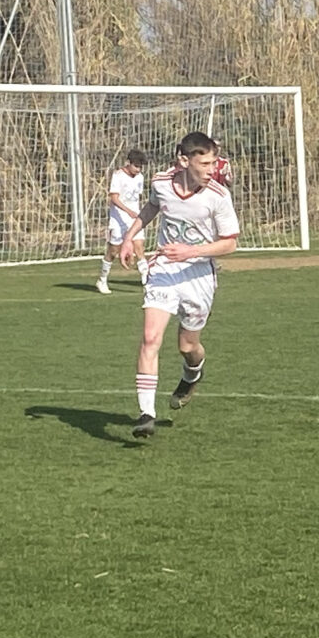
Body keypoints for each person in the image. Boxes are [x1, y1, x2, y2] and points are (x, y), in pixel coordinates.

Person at [120, 131, 240, 439]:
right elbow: (152, 207)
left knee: (187, 346)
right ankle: (146, 414)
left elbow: (230, 243)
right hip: (164, 269)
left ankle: (193, 373)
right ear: (184, 161)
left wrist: (192, 252)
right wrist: (129, 237)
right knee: (150, 337)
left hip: (199, 275)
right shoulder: (161, 183)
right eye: (205, 164)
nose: (212, 170)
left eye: (214, 163)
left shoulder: (218, 195)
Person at [97, 149, 147, 294]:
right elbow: (114, 198)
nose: (138, 170)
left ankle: (147, 282)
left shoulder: (140, 177)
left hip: (134, 219)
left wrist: (136, 212)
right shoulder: (118, 175)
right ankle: (102, 279)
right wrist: (127, 210)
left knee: (139, 247)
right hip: (118, 218)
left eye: (140, 167)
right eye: (136, 166)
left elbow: (136, 198)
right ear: (128, 163)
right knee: (113, 251)